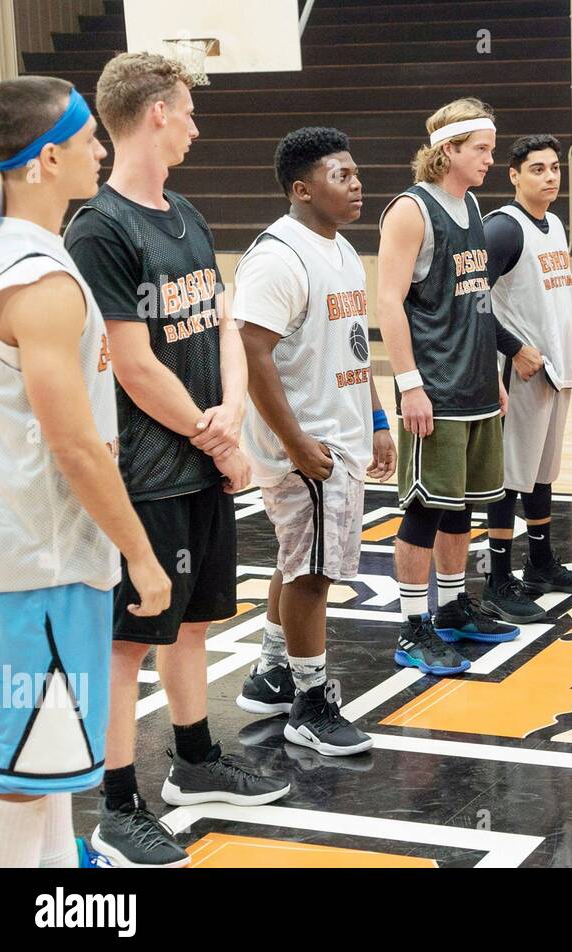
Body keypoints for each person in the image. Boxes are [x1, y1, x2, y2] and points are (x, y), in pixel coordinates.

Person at [65, 52, 289, 867]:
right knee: (130, 639)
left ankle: (194, 760)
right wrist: (216, 432)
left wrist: (232, 415)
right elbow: (130, 361)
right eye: (188, 110)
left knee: (193, 619)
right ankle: (115, 803)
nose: (196, 125)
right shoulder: (98, 228)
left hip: (202, 454)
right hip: (146, 471)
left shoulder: (187, 213)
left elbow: (223, 322)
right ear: (155, 112)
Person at [0, 75, 170, 868]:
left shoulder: (18, 258)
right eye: (89, 136)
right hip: (41, 562)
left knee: (45, 761)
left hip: (23, 553)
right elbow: (74, 445)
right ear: (46, 157)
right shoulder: (42, 283)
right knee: (24, 773)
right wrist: (140, 552)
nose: (101, 147)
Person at [232, 126, 395, 757]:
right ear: (302, 189)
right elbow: (252, 351)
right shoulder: (280, 256)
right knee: (314, 572)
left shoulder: (342, 250)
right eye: (341, 176)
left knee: (297, 558)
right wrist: (296, 442)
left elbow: (353, 346)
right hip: (306, 445)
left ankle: (274, 670)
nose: (357, 185)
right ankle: (310, 699)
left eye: (355, 174)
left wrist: (377, 419)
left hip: (340, 432)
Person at [376, 97, 520, 677]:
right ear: (448, 151)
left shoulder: (472, 204)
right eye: (481, 149)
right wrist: (410, 384)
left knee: (462, 507)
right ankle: (413, 628)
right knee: (424, 511)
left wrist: (491, 375)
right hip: (431, 387)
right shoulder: (410, 211)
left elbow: (474, 303)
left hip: (475, 385)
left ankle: (456, 607)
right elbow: (387, 301)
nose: (489, 158)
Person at [478, 134, 572, 624]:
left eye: (554, 168)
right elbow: (468, 298)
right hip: (521, 370)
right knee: (511, 476)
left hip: (554, 369)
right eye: (537, 169)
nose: (550, 177)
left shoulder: (552, 223)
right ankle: (498, 578)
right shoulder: (503, 230)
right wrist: (512, 347)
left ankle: (542, 563)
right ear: (514, 175)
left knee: (542, 472)